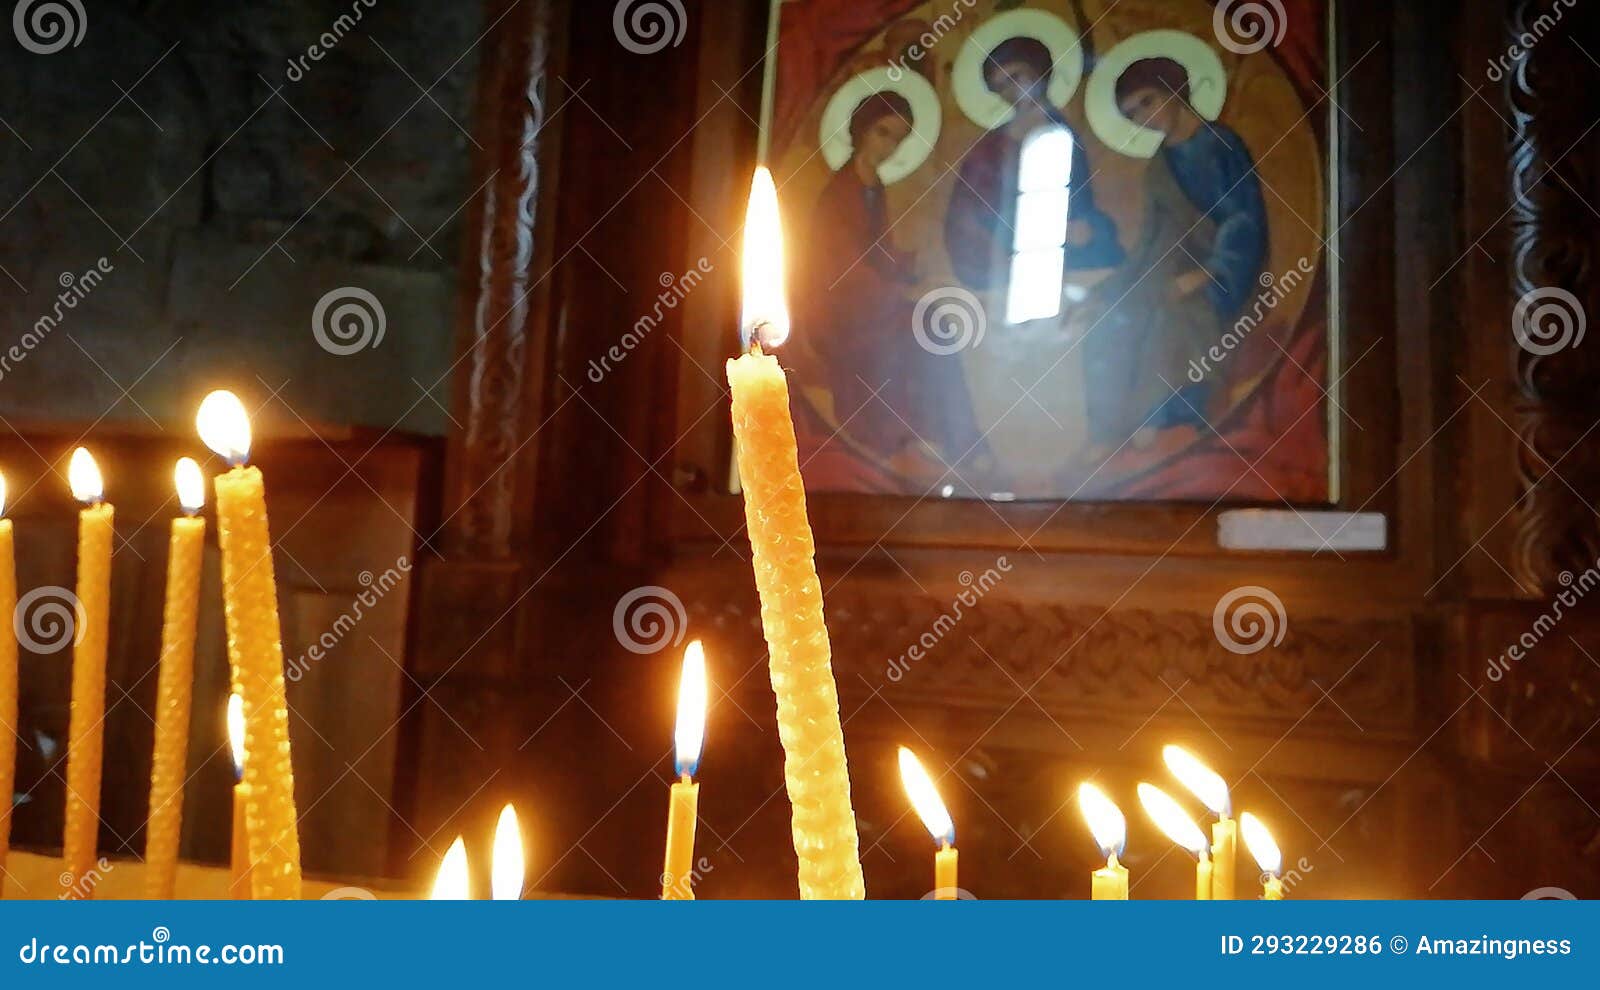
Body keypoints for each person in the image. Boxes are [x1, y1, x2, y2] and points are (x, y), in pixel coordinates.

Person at [1076, 55, 1268, 452]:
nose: (1143, 117)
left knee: (1173, 318)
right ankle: (1108, 435)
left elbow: (1243, 219)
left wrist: (1213, 271)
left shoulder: (1220, 145)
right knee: (1108, 321)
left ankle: (1170, 423)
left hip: (1227, 276)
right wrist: (1105, 292)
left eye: (1147, 101)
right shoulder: (1157, 169)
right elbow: (1150, 243)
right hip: (1172, 271)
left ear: (1174, 91)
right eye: (1132, 114)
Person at [795, 91, 989, 479]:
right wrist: (896, 292)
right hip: (837, 312)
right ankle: (928, 436)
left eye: (898, 139)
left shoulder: (873, 184)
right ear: (862, 131)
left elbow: (875, 253)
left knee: (932, 323)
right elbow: (842, 268)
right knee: (921, 327)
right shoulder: (841, 192)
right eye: (882, 133)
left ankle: (948, 437)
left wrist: (909, 266)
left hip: (869, 302)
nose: (888, 147)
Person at [945, 36, 1124, 294]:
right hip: (999, 237)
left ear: (1039, 72)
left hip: (1058, 236)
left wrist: (1078, 224)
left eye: (1015, 76)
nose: (1011, 91)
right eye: (1001, 87)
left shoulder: (1064, 131)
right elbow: (972, 209)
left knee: (1104, 236)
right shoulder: (992, 145)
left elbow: (1079, 198)